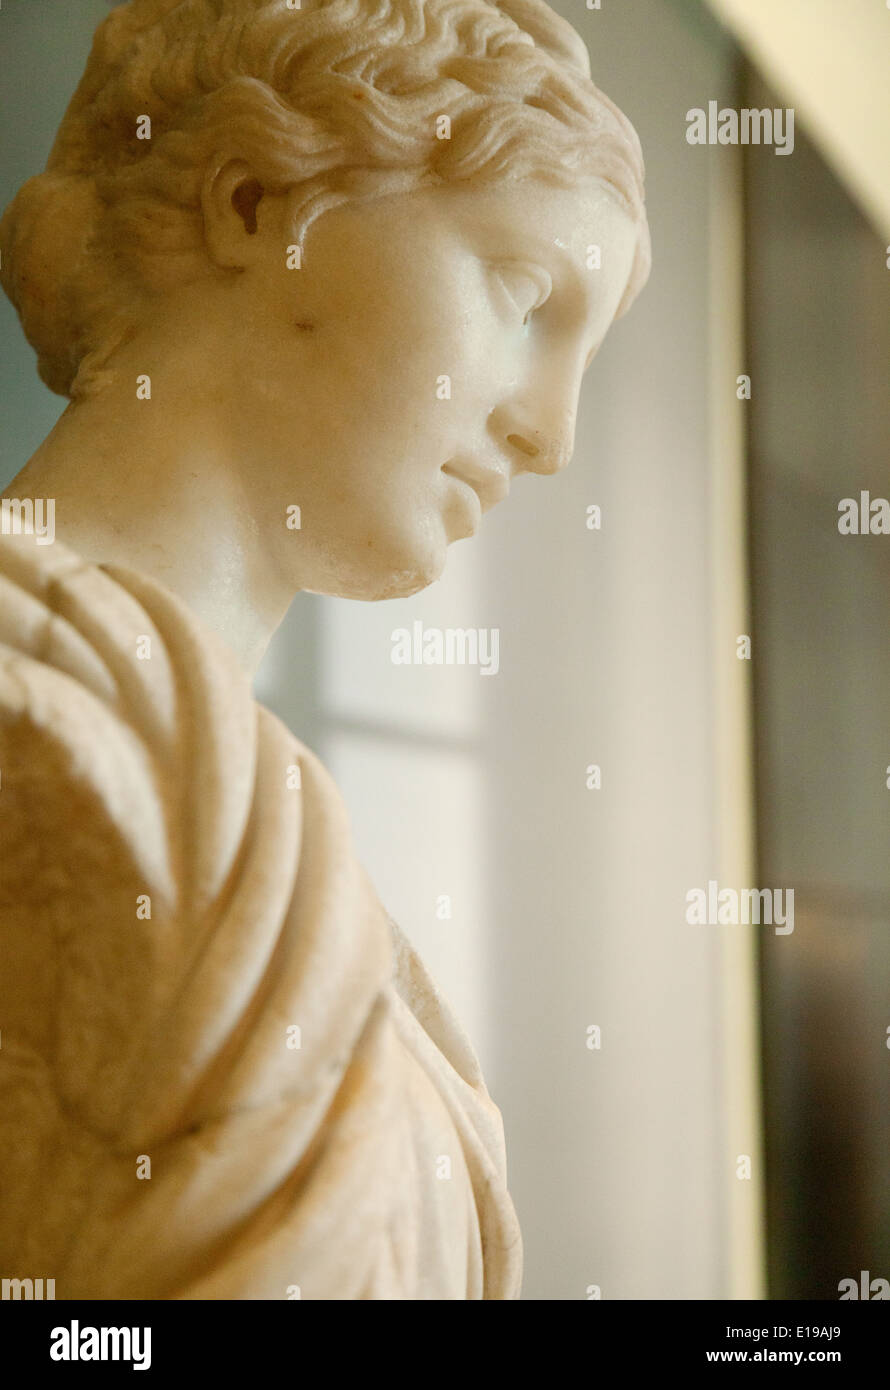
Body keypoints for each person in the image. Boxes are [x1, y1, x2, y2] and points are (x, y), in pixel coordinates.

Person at [0, 0, 649, 1299]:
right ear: (254, 205)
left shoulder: (263, 823)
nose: (554, 433)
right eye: (527, 298)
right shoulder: (56, 720)